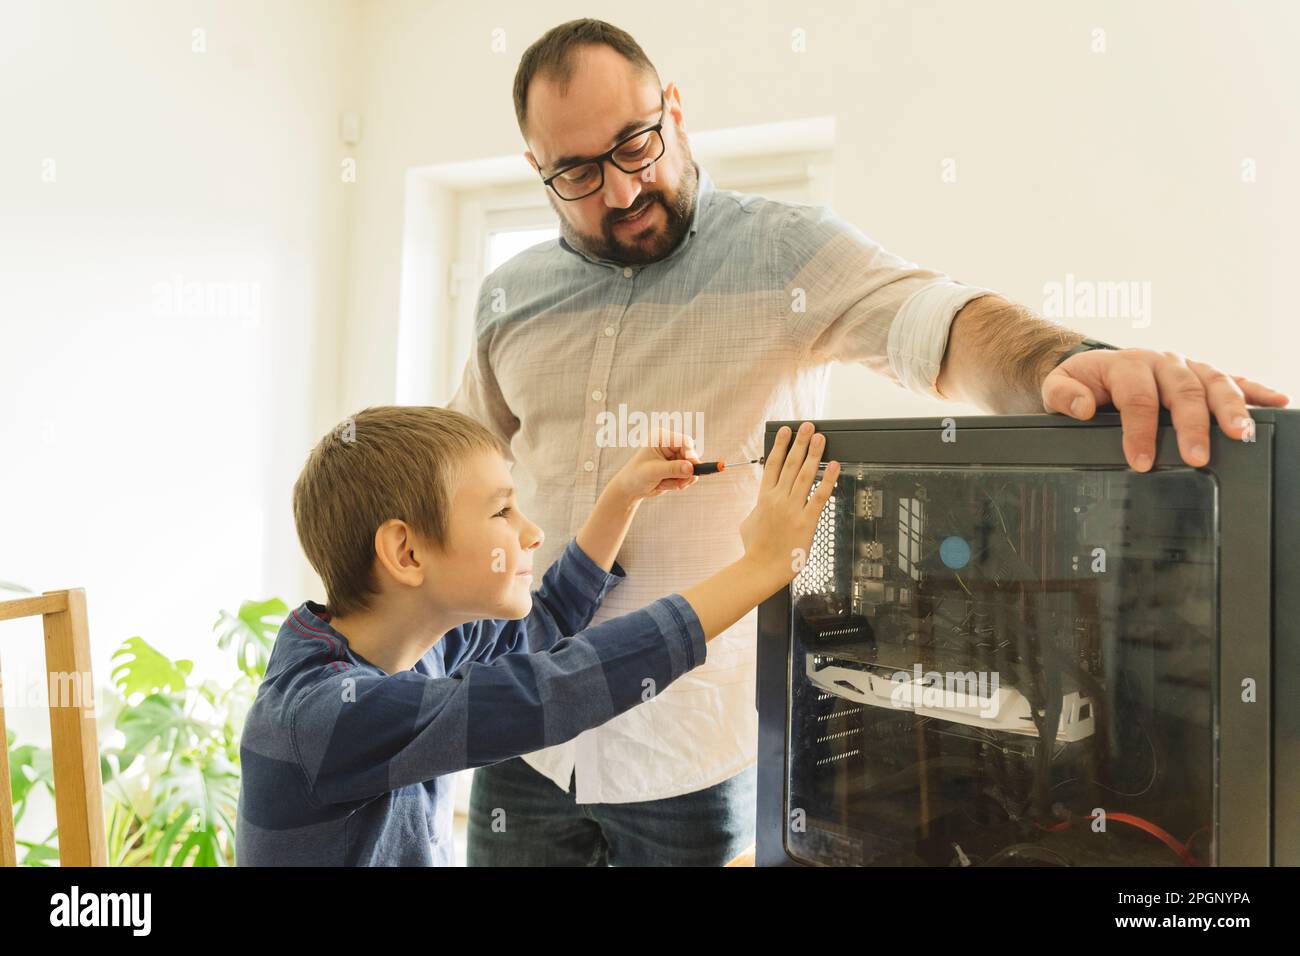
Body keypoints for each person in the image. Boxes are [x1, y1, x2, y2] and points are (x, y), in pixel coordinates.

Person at [447, 18, 1291, 866]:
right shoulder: (507, 298)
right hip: (526, 740)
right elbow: (464, 467)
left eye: (636, 144)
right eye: (579, 172)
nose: (623, 191)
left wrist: (1067, 360)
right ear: (536, 169)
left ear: (674, 109)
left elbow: (932, 320)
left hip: (693, 754)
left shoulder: (782, 251)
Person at [235, 404, 837, 865]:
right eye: (502, 512)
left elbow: (544, 624)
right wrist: (759, 568)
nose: (531, 533)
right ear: (406, 551)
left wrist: (622, 498)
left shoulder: (414, 649)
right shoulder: (325, 718)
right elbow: (549, 690)